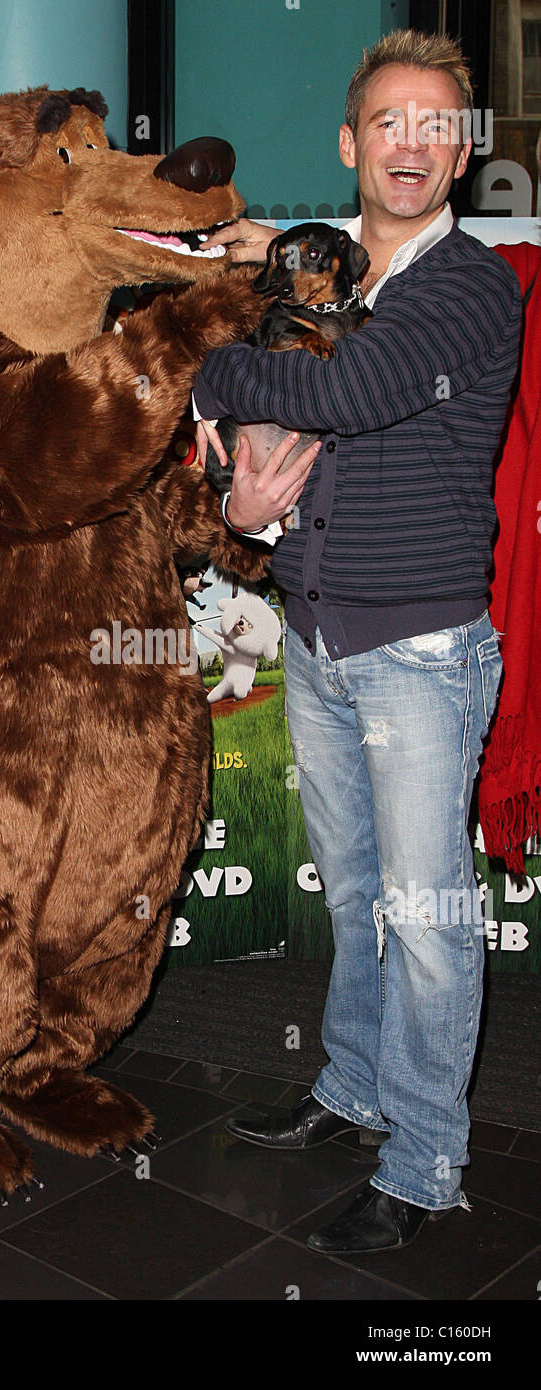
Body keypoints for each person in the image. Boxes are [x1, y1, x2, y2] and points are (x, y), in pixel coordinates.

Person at [193, 29, 523, 1254]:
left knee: (428, 914)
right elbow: (278, 373)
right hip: (320, 639)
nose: (412, 142)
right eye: (389, 119)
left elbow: (339, 394)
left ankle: (426, 1159)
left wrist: (207, 369)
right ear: (350, 143)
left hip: (420, 654)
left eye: (438, 124)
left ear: (461, 155)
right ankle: (353, 1086)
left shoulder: (465, 285)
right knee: (361, 901)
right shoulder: (330, 283)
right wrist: (230, 397)